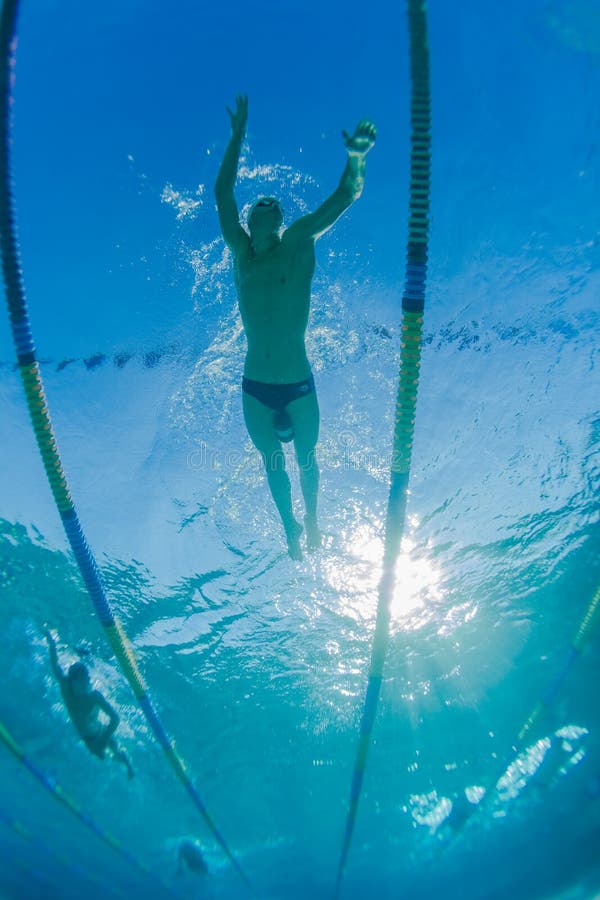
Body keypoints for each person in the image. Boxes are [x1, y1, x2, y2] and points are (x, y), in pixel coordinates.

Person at [214, 94, 376, 559]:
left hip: (298, 383)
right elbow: (222, 194)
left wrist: (357, 158)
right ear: (250, 220)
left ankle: (314, 521)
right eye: (257, 203)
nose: (261, 203)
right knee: (273, 465)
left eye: (270, 202)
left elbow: (346, 196)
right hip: (255, 387)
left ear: (280, 219)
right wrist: (237, 137)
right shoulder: (240, 253)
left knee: (306, 461)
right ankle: (290, 528)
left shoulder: (299, 240)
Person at [43, 628, 134, 778]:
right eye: (82, 683)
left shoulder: (94, 696)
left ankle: (128, 765)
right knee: (102, 756)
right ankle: (123, 762)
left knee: (116, 752)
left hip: (100, 732)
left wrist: (102, 740)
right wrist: (51, 641)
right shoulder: (64, 685)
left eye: (87, 681)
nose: (86, 686)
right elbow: (54, 662)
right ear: (72, 682)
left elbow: (115, 719)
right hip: (89, 738)